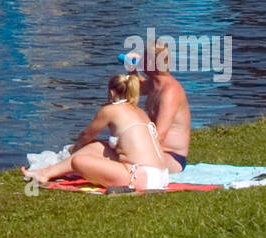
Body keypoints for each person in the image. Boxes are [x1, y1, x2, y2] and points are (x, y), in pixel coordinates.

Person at [21, 73, 169, 191]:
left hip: (142, 177)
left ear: (111, 92)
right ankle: (47, 172)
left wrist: (74, 151)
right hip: (161, 175)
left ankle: (45, 174)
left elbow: (86, 135)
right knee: (97, 146)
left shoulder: (110, 110)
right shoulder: (139, 111)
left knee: (78, 161)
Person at [140, 39, 191, 173]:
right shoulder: (155, 84)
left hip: (172, 156)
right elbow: (134, 90)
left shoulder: (170, 91)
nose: (140, 59)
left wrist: (131, 146)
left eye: (143, 57)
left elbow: (160, 135)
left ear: (150, 63)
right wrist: (132, 70)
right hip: (155, 150)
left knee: (127, 160)